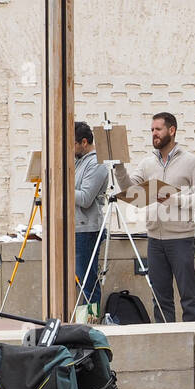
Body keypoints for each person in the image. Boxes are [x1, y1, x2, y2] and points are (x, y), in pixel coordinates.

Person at [123, 112, 195, 323]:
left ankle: (192, 338)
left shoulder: (191, 162)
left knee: (188, 297)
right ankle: (166, 339)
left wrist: (175, 198)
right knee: (160, 299)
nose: (154, 134)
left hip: (181, 239)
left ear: (171, 130)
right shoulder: (146, 164)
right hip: (154, 240)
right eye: (152, 130)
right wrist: (118, 168)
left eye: (158, 129)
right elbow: (129, 191)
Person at [73, 121, 109, 310]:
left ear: (84, 142)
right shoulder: (78, 161)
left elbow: (86, 198)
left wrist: (60, 186)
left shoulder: (97, 163)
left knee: (87, 283)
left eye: (72, 144)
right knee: (76, 284)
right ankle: (78, 324)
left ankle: (91, 324)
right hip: (75, 228)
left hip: (87, 230)